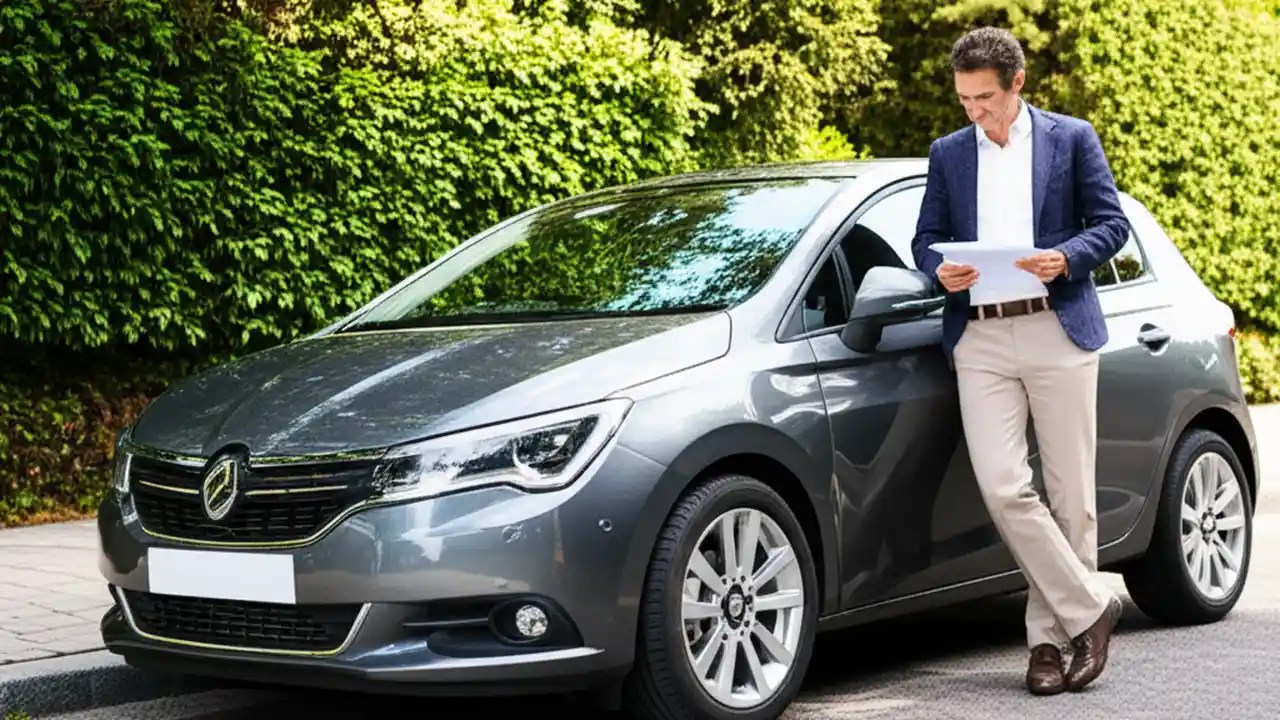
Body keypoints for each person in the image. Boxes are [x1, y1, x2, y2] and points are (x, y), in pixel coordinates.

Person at [911, 26, 1130, 695]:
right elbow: (926, 239)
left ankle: (1046, 645)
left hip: (1056, 330)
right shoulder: (949, 153)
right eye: (964, 99)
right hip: (980, 337)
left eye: (985, 98)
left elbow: (1111, 224)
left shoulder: (1072, 138)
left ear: (1017, 84)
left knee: (1071, 498)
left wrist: (1066, 257)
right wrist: (937, 270)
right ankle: (1092, 609)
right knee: (1005, 486)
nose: (973, 111)